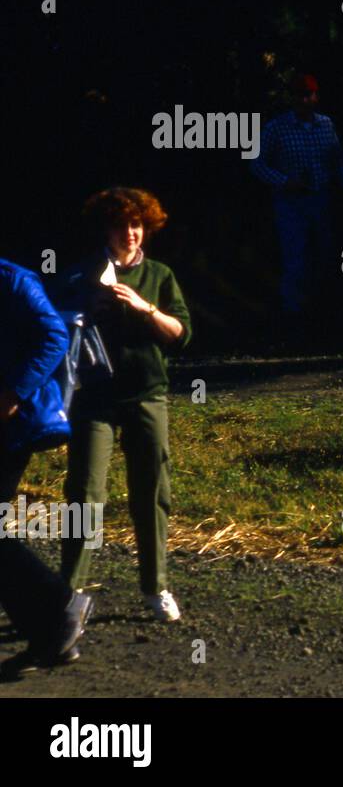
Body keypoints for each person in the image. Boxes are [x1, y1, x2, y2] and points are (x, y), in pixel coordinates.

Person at [56, 188, 192, 622]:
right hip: (94, 399)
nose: (130, 234)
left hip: (147, 395)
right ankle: (67, 594)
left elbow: (181, 334)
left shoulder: (159, 275)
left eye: (136, 225)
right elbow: (53, 328)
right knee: (85, 493)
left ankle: (156, 587)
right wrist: (84, 308)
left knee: (152, 492)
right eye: (121, 226)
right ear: (106, 230)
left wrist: (144, 307)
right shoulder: (80, 275)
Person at [0, 258, 93, 676]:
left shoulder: (14, 280)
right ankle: (51, 634)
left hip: (12, 422)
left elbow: (54, 334)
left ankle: (60, 606)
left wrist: (15, 389)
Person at [251, 73, 343, 320]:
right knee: (295, 258)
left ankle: (325, 311)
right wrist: (285, 181)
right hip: (290, 203)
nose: (304, 100)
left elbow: (338, 162)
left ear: (316, 96)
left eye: (308, 95)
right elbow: (256, 163)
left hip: (322, 199)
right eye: (299, 95)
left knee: (326, 255)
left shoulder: (326, 125)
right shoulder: (276, 127)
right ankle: (293, 315)